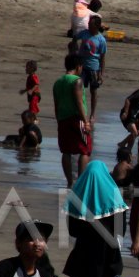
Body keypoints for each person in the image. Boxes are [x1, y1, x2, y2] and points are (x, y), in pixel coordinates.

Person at [63, 161, 128, 277]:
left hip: (84, 262)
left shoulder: (76, 199)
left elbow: (72, 231)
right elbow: (121, 231)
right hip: (110, 260)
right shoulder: (116, 198)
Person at [54, 54, 92, 188]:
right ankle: (80, 183)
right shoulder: (77, 81)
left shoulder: (58, 82)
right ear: (78, 66)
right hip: (77, 119)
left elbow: (56, 104)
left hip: (63, 119)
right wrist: (86, 121)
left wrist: (59, 120)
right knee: (85, 150)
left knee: (66, 151)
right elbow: (79, 102)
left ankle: (70, 182)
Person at [75, 15, 107, 120]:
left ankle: (92, 114)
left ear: (97, 26)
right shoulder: (84, 33)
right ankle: (80, 111)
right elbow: (74, 39)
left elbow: (102, 58)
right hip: (81, 68)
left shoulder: (101, 40)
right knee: (79, 90)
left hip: (94, 69)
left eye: (91, 25)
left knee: (93, 91)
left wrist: (101, 74)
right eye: (88, 24)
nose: (88, 26)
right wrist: (73, 50)